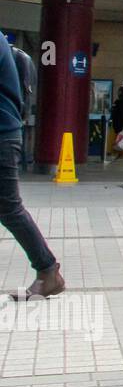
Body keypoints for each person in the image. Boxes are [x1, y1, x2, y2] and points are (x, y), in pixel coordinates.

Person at [1, 32, 62, 301]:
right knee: (8, 208)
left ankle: (48, 271)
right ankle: (48, 272)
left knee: (8, 208)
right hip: (5, 135)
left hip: (1, 136)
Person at [111, 85, 123, 160]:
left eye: (119, 91)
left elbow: (118, 112)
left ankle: (120, 153)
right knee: (121, 139)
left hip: (119, 124)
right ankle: (121, 153)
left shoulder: (119, 102)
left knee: (119, 139)